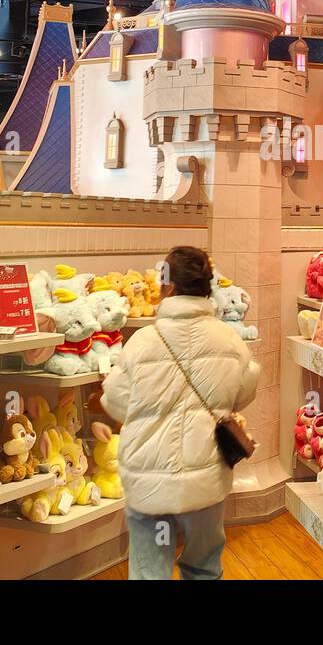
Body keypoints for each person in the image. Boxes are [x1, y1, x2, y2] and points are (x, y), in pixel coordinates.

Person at [100, 245, 260, 580]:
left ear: (168, 287)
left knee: (150, 572)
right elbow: (243, 392)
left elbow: (116, 402)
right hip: (206, 482)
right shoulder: (229, 341)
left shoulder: (142, 343)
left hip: (149, 485)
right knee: (203, 567)